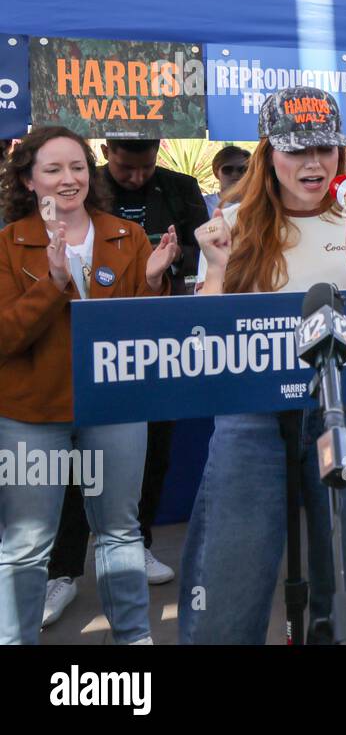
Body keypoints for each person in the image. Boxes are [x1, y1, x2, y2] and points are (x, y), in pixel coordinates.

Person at [178, 88, 346, 645]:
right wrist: (219, 267)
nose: (313, 164)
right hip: (252, 416)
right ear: (268, 152)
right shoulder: (230, 221)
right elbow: (205, 339)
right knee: (229, 585)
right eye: (297, 150)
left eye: (325, 149)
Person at [0, 126, 180, 645]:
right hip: (31, 416)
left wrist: (150, 281)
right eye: (52, 169)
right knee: (27, 544)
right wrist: (54, 285)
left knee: (120, 533)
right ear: (29, 180)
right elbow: (8, 336)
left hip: (113, 407)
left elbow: (139, 339)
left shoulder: (128, 235)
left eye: (77, 167)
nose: (68, 179)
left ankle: (134, 638)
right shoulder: (9, 245)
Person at [43, 136, 209, 624]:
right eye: (124, 167)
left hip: (154, 337)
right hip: (80, 346)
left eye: (144, 168)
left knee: (152, 448)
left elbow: (199, 248)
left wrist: (165, 262)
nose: (135, 177)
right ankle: (63, 570)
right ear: (106, 154)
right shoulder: (83, 189)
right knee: (77, 465)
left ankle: (138, 544)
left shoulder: (180, 188)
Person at [204, 145, 250, 217]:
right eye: (228, 169)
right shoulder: (203, 204)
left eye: (242, 170)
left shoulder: (259, 205)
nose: (235, 174)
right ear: (216, 173)